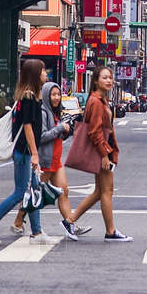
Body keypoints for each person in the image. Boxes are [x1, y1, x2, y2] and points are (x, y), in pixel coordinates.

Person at [0, 60, 60, 245]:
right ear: (34, 74)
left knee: (33, 191)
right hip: (24, 152)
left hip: (25, 152)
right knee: (21, 192)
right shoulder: (29, 97)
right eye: (43, 71)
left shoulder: (28, 96)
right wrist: (34, 153)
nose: (46, 74)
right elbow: (28, 126)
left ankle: (37, 232)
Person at [14, 79, 90, 239]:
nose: (56, 98)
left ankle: (70, 223)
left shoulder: (55, 113)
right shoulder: (42, 112)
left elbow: (56, 136)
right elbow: (41, 137)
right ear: (47, 95)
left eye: (58, 94)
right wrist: (60, 128)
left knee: (63, 191)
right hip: (44, 161)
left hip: (56, 160)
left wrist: (64, 130)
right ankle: (18, 221)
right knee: (34, 194)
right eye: (53, 94)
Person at [68, 65, 132, 242]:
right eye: (104, 78)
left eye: (110, 77)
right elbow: (95, 131)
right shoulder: (96, 102)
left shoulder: (100, 100)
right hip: (103, 150)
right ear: (95, 81)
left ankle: (70, 220)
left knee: (100, 191)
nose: (109, 80)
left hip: (104, 149)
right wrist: (104, 155)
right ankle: (110, 231)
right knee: (106, 191)